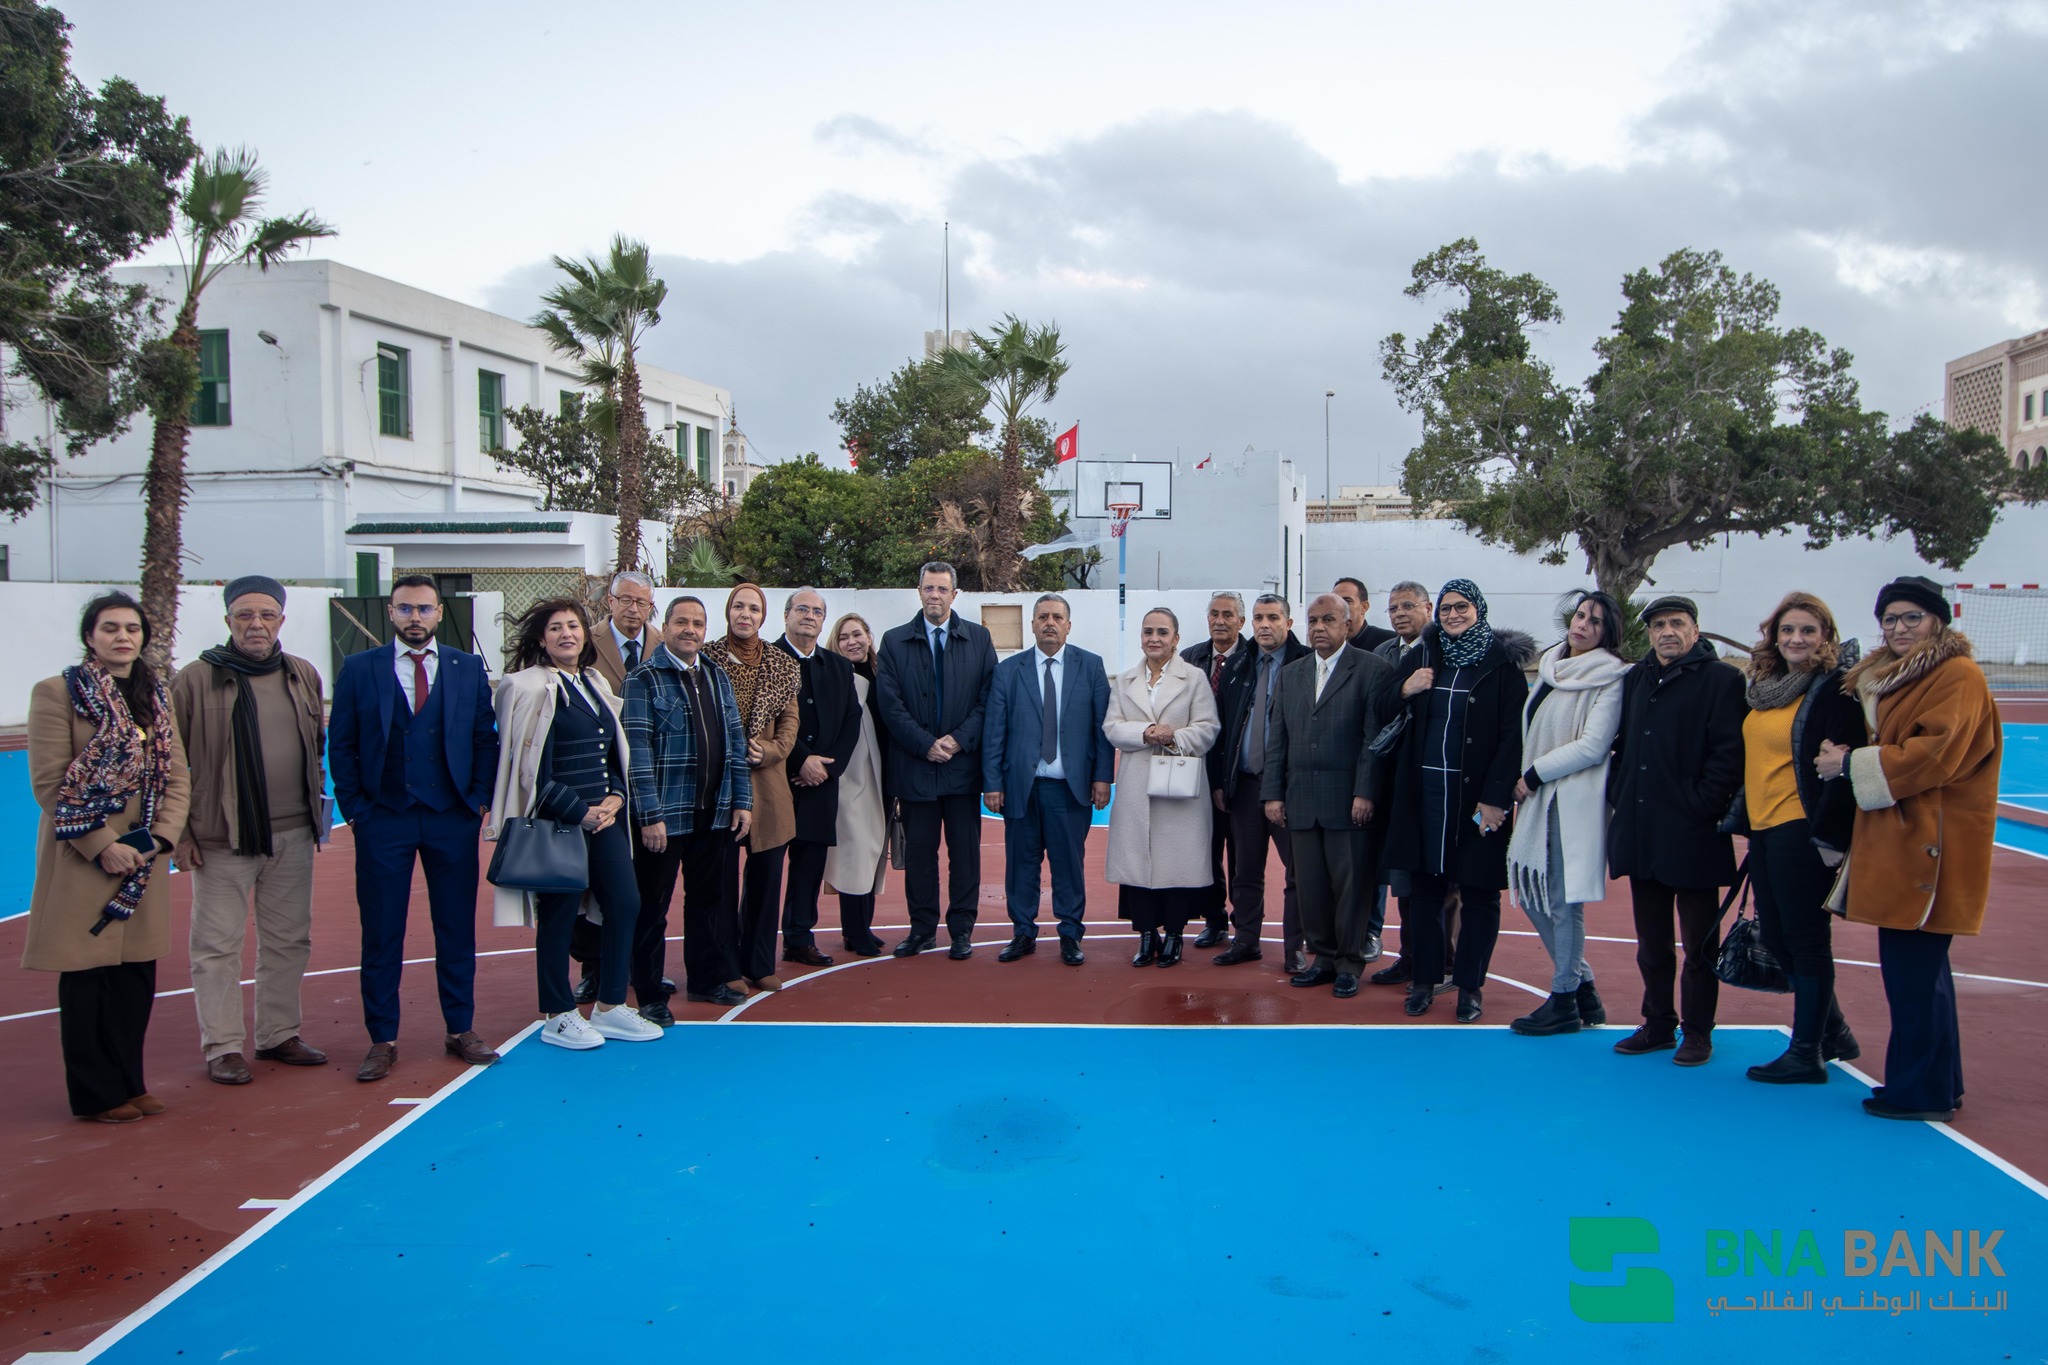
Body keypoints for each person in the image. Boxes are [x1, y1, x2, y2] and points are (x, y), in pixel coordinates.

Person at [1825, 576, 2000, 1122]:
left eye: (1911, 618)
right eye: (1891, 618)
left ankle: (1919, 1091)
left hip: (1932, 845)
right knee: (1919, 974)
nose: (1899, 628)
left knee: (1914, 974)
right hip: (1904, 839)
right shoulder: (1897, 676)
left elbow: (1935, 755)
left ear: (1937, 621)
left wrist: (1848, 764)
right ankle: (1936, 1083)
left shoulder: (1957, 674)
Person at [23, 593, 190, 1123]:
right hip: (83, 855)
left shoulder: (155, 696)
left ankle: (130, 1083)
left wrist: (159, 841)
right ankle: (96, 1094)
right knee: (87, 979)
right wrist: (102, 845)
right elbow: (50, 782)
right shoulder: (57, 694)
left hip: (141, 860)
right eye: (110, 628)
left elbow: (178, 776)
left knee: (135, 979)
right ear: (89, 636)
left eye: (132, 629)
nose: (123, 637)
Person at [330, 575, 502, 1082]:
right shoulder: (360, 669)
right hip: (384, 818)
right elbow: (341, 744)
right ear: (390, 612)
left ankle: (460, 1027)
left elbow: (483, 739)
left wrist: (476, 800)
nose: (415, 618)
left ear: (438, 613)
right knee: (381, 931)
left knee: (455, 926)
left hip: (451, 816)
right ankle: (382, 1037)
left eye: (424, 609)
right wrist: (357, 809)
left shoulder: (467, 668)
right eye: (405, 609)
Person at [171, 576, 330, 1085]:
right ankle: (221, 1046)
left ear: (281, 620)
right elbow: (169, 765)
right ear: (227, 622)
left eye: (266, 615)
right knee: (216, 945)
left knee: (289, 940)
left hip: (292, 833)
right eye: (244, 615)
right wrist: (180, 833)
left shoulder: (302, 674)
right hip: (222, 837)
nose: (256, 624)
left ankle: (277, 1033)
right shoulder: (195, 679)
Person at [487, 599, 660, 1048]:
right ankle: (558, 1013)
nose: (567, 634)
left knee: (625, 903)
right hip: (558, 823)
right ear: (541, 638)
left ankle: (609, 1006)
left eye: (574, 626)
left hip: (605, 820)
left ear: (586, 634)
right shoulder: (524, 687)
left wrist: (617, 798)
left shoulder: (594, 681)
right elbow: (528, 768)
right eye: (556, 628)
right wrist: (577, 811)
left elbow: (612, 753)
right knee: (559, 918)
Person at [1380, 579, 1532, 1022]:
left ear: (1479, 609)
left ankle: (1470, 987)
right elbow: (1380, 703)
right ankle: (1424, 982)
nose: (1452, 615)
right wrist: (1406, 689)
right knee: (1425, 892)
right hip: (1425, 794)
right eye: (1445, 609)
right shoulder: (1425, 655)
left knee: (1480, 895)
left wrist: (1495, 798)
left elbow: (1512, 738)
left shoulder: (1502, 664)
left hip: (1475, 800)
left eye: (1460, 607)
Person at [1605, 595, 1745, 1066]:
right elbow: (1622, 745)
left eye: (1677, 623)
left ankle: (1698, 1033)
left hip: (1692, 833)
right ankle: (1659, 1023)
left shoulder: (1723, 680)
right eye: (1659, 624)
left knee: (1700, 944)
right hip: (1642, 829)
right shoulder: (1636, 678)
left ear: (1695, 629)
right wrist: (1619, 794)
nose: (1667, 631)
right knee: (1652, 944)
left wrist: (1699, 806)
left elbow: (1729, 755)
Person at [1735, 592, 1865, 1081]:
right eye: (1787, 630)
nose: (1796, 639)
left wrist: (1829, 837)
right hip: (1764, 827)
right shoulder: (1766, 686)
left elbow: (1841, 769)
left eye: (1808, 630)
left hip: (1801, 828)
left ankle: (1807, 1051)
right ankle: (1834, 1033)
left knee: (1806, 940)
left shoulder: (1836, 690)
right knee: (1776, 937)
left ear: (1826, 637)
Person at [1504, 591, 1629, 1036]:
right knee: (1538, 899)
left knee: (1561, 902)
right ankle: (1584, 988)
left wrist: (1534, 774)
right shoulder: (1554, 664)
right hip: (1539, 798)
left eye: (1595, 622)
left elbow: (1593, 745)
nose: (1583, 625)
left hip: (1570, 799)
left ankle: (1563, 1000)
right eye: (1580, 616)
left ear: (1607, 634)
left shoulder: (1611, 677)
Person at [622, 596, 754, 1013]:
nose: (690, 630)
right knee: (651, 907)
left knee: (708, 902)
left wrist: (741, 801)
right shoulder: (642, 680)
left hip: (713, 812)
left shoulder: (716, 676)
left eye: (698, 623)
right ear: (665, 626)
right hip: (665, 818)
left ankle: (705, 979)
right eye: (682, 621)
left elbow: (734, 740)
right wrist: (649, 815)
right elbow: (636, 752)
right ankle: (649, 994)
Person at [1261, 593, 1394, 996]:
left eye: (1329, 620)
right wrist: (1273, 794)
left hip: (1348, 800)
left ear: (1348, 624)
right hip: (1301, 798)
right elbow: (1277, 739)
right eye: (1313, 620)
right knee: (1311, 885)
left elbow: (1375, 739)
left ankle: (1350, 963)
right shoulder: (1292, 673)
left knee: (1352, 885)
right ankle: (1323, 957)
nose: (1319, 628)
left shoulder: (1372, 670)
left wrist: (1365, 792)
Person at [874, 561, 996, 959]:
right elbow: (889, 705)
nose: (935, 596)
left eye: (943, 589)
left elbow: (988, 700)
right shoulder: (893, 642)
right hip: (914, 771)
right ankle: (922, 929)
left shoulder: (979, 639)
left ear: (954, 594)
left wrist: (958, 741)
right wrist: (925, 743)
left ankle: (961, 931)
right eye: (929, 588)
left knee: (965, 857)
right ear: (919, 591)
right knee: (920, 857)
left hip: (962, 772)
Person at [984, 593, 1113, 965]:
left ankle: (1070, 934)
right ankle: (1023, 932)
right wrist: (993, 782)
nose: (1049, 623)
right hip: (1021, 789)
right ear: (1033, 624)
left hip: (1069, 790)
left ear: (1069, 625)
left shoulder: (1090, 667)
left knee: (1068, 865)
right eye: (1042, 617)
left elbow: (1101, 729)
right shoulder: (1009, 671)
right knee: (1020, 865)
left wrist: (1103, 777)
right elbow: (996, 732)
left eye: (1057, 617)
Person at [1104, 609, 1221, 966]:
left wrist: (1175, 736)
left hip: (1178, 785)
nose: (1154, 638)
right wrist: (1144, 733)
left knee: (1177, 865)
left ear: (1176, 639)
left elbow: (1208, 727)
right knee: (1138, 865)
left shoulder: (1195, 678)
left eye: (1162, 632)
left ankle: (1173, 934)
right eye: (1147, 631)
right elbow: (1112, 726)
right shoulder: (1124, 681)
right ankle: (1146, 934)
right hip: (1137, 785)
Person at [704, 584, 802, 992]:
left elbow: (790, 722)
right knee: (721, 883)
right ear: (728, 611)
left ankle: (759, 964)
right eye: (739, 606)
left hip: (768, 783)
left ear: (764, 617)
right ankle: (726, 967)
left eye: (754, 608)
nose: (746, 614)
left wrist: (771, 751)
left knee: (765, 880)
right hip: (718, 786)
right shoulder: (706, 659)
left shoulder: (782, 663)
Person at [1209, 593, 1311, 968]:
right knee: (1245, 870)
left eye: (1272, 617)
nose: (1264, 625)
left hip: (1289, 788)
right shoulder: (1238, 664)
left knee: (1297, 872)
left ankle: (1294, 948)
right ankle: (1246, 940)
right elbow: (1223, 729)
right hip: (1246, 785)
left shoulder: (1305, 663)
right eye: (1258, 618)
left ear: (1288, 623)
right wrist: (1222, 781)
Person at [575, 570, 661, 1003]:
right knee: (597, 886)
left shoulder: (663, 644)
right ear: (609, 601)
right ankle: (594, 968)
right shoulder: (584, 642)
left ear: (650, 606)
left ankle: (640, 968)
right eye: (625, 600)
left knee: (641, 886)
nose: (632, 609)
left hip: (647, 780)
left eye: (641, 602)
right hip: (598, 780)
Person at [775, 589, 863, 970]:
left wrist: (827, 768)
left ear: (823, 620)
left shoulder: (838, 666)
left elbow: (851, 720)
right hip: (777, 782)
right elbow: (759, 721)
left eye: (816, 611)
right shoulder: (767, 659)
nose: (809, 616)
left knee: (808, 868)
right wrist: (800, 761)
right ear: (786, 615)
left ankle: (799, 938)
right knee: (766, 869)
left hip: (821, 785)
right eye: (802, 609)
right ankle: (755, 941)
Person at [1370, 581, 1435, 983]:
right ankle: (1411, 956)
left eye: (1407, 606)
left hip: (1432, 776)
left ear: (1427, 607)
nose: (1398, 614)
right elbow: (1376, 706)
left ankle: (1441, 960)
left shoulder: (1440, 649)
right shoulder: (1383, 654)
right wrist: (1403, 690)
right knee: (1403, 877)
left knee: (1439, 883)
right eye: (1392, 608)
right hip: (1393, 777)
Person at [1181, 591, 1247, 949]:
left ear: (1241, 621)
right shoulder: (1191, 658)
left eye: (1228, 614)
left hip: (1238, 775)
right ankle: (1214, 919)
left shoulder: (1253, 659)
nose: (1219, 620)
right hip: (1198, 775)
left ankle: (1244, 924)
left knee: (1241, 857)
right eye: (1214, 613)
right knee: (1206, 852)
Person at [824, 612, 889, 957]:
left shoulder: (881, 675)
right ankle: (854, 931)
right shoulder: (837, 678)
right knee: (855, 853)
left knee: (874, 852)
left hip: (880, 775)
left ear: (868, 636)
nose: (852, 641)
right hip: (852, 777)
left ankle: (863, 926)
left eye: (857, 634)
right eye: (844, 637)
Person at [1335, 576, 1397, 652]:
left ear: (1364, 607)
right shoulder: (1323, 643)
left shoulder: (1389, 641)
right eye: (1335, 602)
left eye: (1347, 601)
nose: (1339, 607)